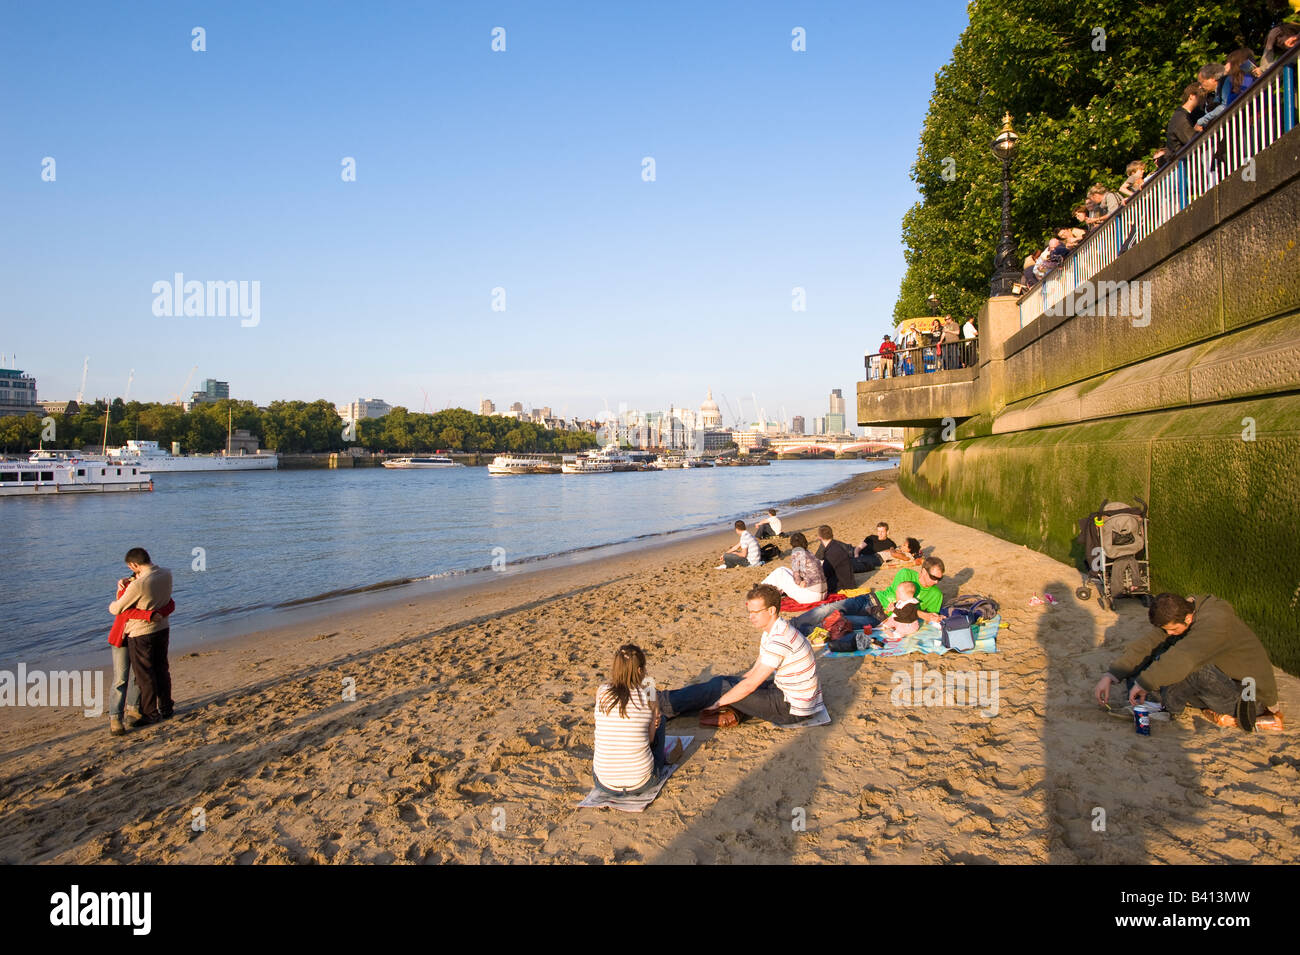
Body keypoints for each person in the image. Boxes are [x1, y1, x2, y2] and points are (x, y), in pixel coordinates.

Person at [1093, 594, 1283, 732]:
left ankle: (1162, 706)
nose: (1169, 633)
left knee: (1191, 667)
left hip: (1248, 698)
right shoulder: (1183, 612)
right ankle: (1150, 700)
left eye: (1173, 629)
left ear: (1188, 618)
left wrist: (1144, 683)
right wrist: (1112, 675)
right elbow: (1149, 643)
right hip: (1220, 682)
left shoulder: (1215, 622)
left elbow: (1184, 658)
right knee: (1155, 653)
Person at [660, 584, 823, 726]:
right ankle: (669, 703)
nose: (750, 617)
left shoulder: (780, 639)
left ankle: (664, 703)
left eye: (755, 612)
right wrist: (733, 685)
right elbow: (754, 671)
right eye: (749, 611)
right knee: (725, 683)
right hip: (788, 696)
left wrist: (718, 702)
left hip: (792, 709)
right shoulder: (774, 630)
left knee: (721, 687)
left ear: (772, 610)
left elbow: (750, 685)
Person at [592, 644, 675, 795]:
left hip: (604, 783)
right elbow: (650, 740)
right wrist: (653, 705)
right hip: (642, 782)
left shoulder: (602, 692)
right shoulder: (647, 695)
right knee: (660, 721)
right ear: (639, 670)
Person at [791, 558, 945, 636]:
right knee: (829, 608)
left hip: (882, 619)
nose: (936, 581)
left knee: (840, 623)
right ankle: (793, 623)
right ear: (923, 571)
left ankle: (800, 631)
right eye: (933, 577)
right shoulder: (906, 574)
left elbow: (924, 618)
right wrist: (922, 613)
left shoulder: (936, 594)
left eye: (940, 579)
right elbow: (902, 602)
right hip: (871, 600)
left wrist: (930, 617)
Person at [107, 547, 174, 727]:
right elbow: (169, 603)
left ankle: (147, 713)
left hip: (140, 633)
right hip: (160, 629)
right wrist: (152, 614)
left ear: (134, 565)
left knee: (142, 675)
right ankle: (164, 707)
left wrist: (120, 592)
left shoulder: (138, 585)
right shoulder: (166, 574)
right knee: (159, 670)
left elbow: (117, 609)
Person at [761, 531, 826, 604]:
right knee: (783, 569)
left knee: (780, 572)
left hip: (811, 596)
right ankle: (768, 588)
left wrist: (802, 582)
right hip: (823, 593)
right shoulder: (810, 553)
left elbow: (797, 580)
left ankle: (761, 588)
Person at [813, 524, 856, 594]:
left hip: (844, 585)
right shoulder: (836, 545)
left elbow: (824, 574)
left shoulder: (830, 553)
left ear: (820, 538)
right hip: (848, 581)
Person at [1164, 84, 1203, 160]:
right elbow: (1191, 139)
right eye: (1201, 97)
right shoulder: (1180, 118)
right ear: (1191, 96)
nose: (1203, 100)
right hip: (1182, 163)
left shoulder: (1186, 115)